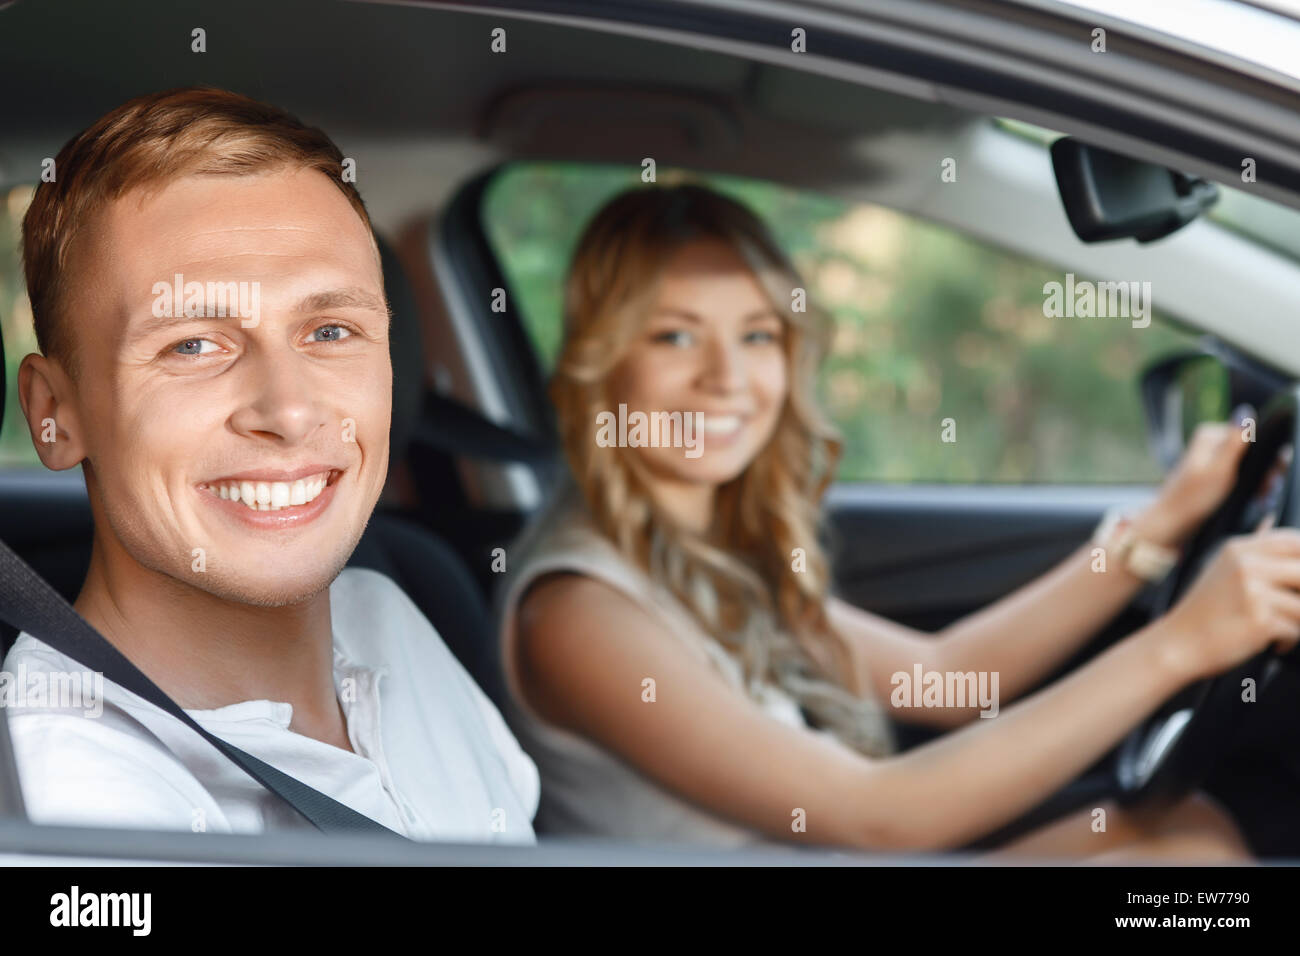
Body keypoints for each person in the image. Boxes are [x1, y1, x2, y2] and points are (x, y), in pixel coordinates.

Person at [497, 182, 1300, 860]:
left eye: (758, 335)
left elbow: (947, 678)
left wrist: (1155, 530)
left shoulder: (704, 554)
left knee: (1191, 826)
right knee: (1191, 862)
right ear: (601, 363)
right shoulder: (578, 609)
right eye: (674, 335)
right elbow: (878, 813)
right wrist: (1181, 644)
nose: (728, 379)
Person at [3, 87, 538, 842]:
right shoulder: (66, 793)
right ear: (55, 413)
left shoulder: (388, 615)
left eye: (330, 330)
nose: (288, 411)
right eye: (191, 344)